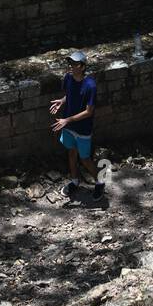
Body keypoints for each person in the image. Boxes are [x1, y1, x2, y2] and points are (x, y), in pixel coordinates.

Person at [50, 51, 104, 200]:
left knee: (85, 158)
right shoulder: (68, 78)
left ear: (83, 66)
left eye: (76, 64)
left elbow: (89, 111)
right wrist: (62, 101)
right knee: (71, 152)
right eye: (71, 64)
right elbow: (71, 94)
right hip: (68, 126)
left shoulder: (90, 85)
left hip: (82, 128)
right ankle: (74, 181)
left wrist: (67, 120)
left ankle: (100, 182)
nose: (72, 67)